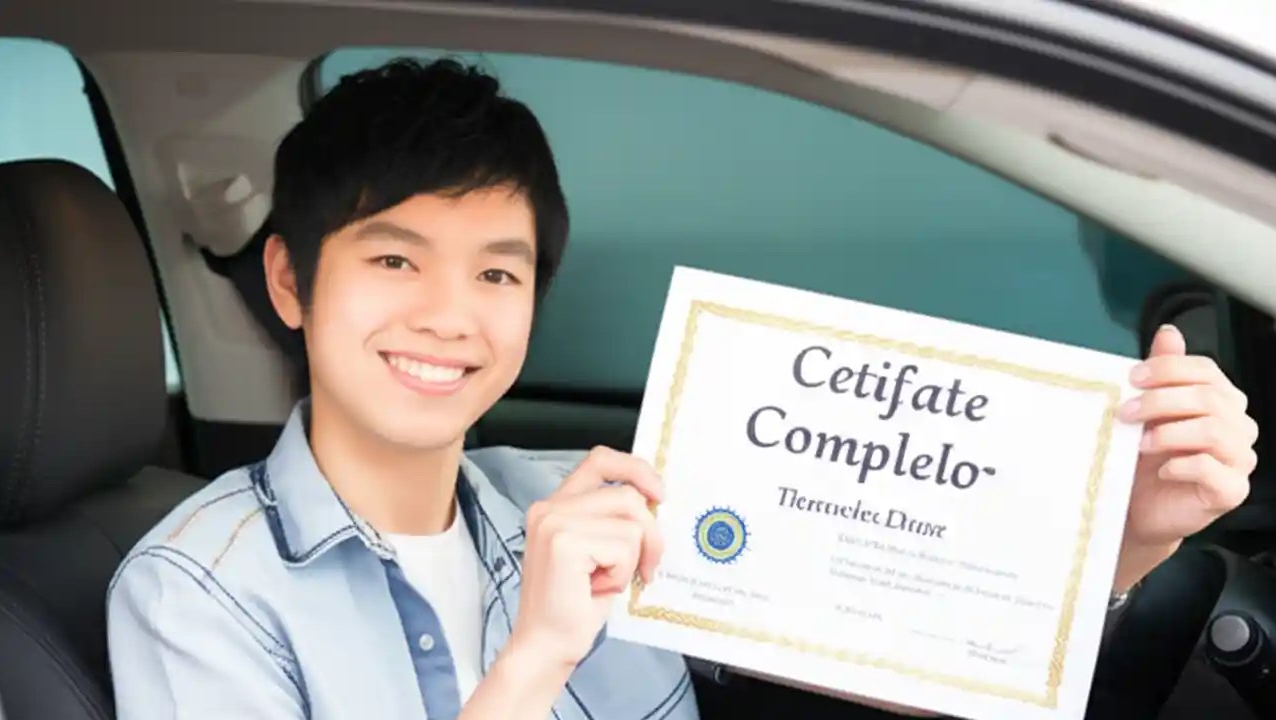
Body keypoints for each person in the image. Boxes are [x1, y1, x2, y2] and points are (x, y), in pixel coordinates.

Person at [106, 57, 1259, 720]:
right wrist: (533, 659)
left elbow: (894, 650)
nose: (448, 316)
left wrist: (1126, 541)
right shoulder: (193, 593)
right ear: (290, 281)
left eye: (496, 271)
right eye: (394, 259)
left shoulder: (579, 494)